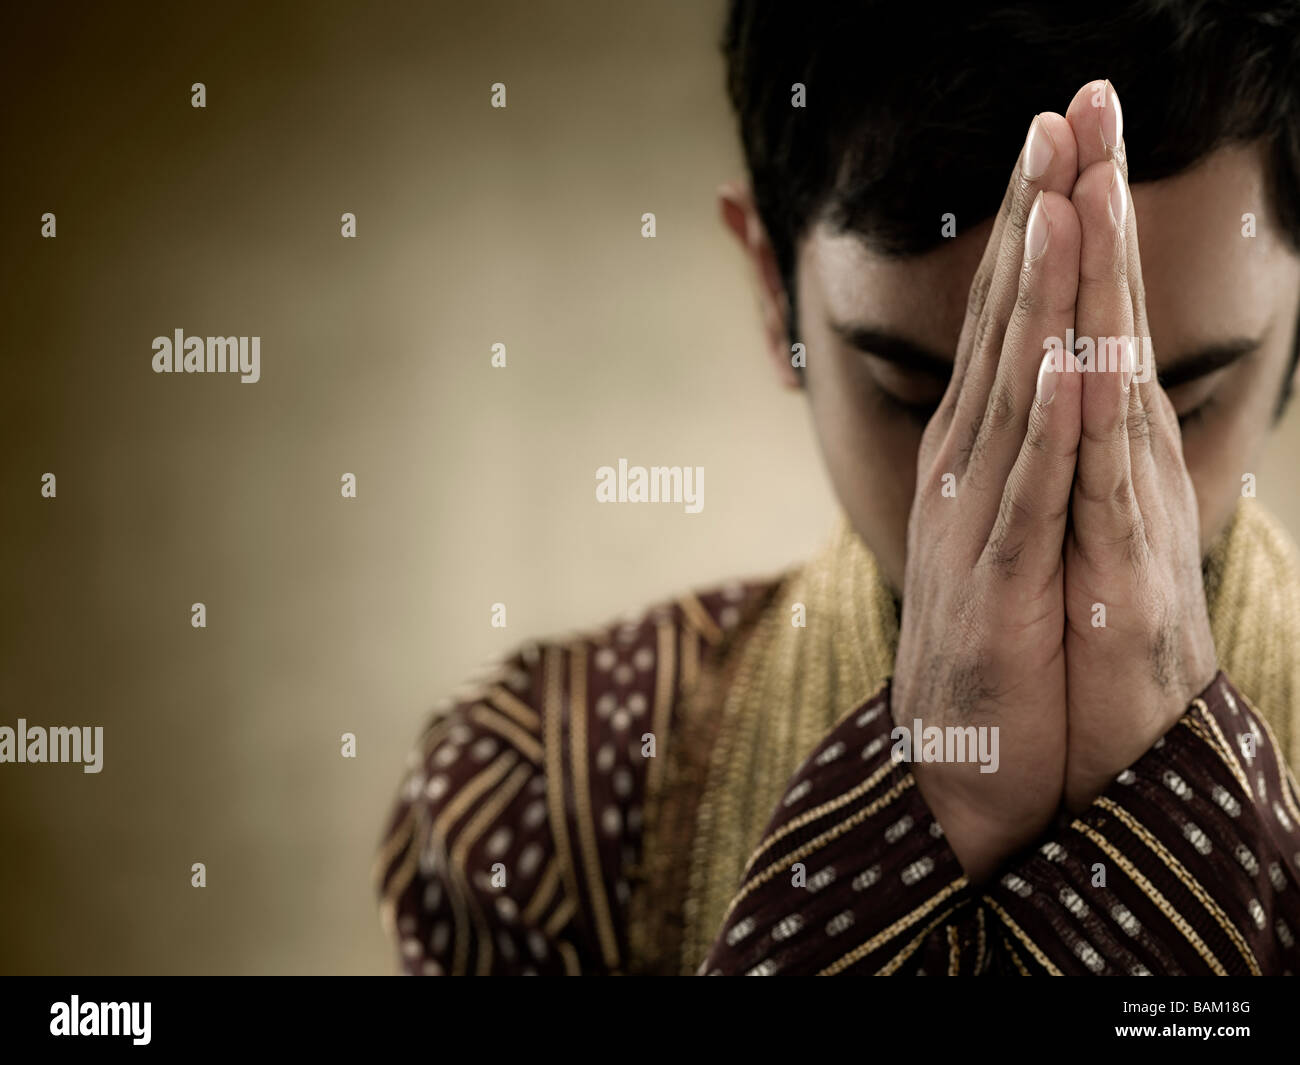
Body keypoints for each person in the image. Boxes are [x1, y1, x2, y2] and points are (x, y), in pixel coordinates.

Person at [375, 0, 1300, 974]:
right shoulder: (542, 811)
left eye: (1178, 401)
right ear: (774, 290)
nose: (1054, 493)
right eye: (921, 396)